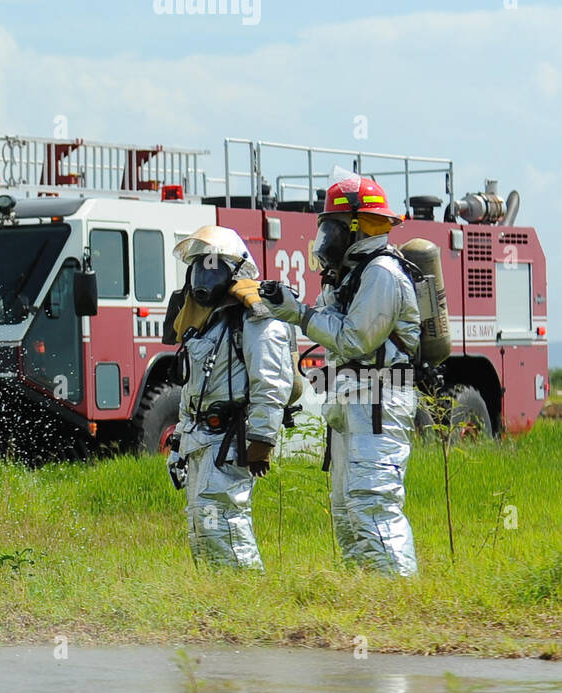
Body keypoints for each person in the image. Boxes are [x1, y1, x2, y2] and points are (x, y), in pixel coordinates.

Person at [257, 174, 420, 576]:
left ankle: (397, 600)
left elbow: (354, 340)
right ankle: (364, 597)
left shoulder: (382, 273)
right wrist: (293, 306)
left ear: (356, 226)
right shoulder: (353, 275)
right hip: (353, 404)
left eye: (331, 228)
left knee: (372, 502)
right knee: (347, 509)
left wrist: (298, 313)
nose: (325, 239)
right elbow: (328, 327)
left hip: (380, 403)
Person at [167, 225, 295, 570]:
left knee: (223, 524)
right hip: (200, 440)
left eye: (214, 267)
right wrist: (178, 442)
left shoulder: (258, 321)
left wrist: (263, 439)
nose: (204, 278)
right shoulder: (201, 323)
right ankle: (218, 601)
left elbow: (272, 385)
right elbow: (192, 390)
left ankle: (247, 596)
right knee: (202, 528)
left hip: (230, 439)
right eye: (200, 267)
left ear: (236, 270)